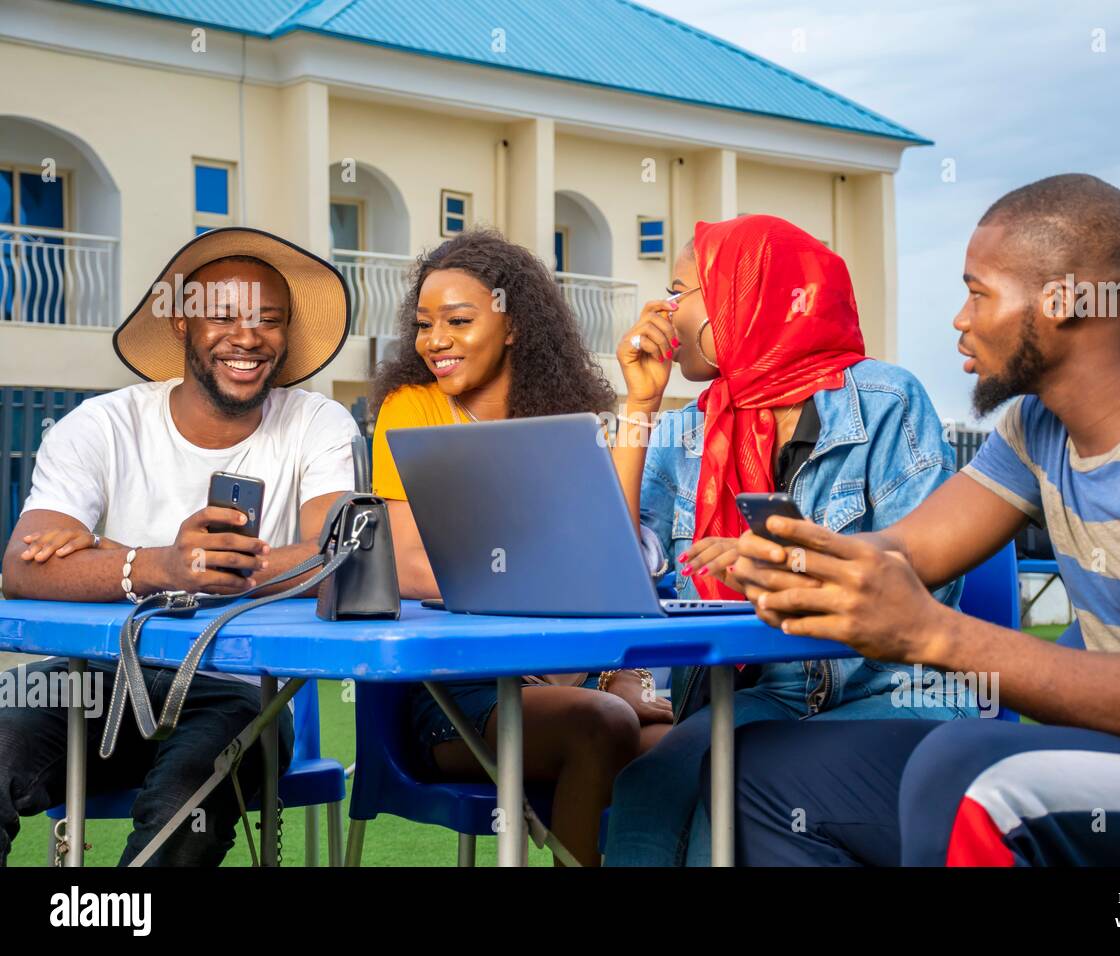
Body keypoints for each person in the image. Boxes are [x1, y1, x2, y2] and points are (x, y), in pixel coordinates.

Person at [724, 174, 1120, 866]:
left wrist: (933, 633)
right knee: (762, 770)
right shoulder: (1037, 426)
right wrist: (794, 554)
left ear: (1062, 302)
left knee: (969, 769)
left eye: (978, 292)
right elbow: (907, 547)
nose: (960, 320)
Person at [603, 214, 975, 867]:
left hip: (889, 691)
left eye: (679, 288)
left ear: (744, 296)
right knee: (648, 789)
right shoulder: (689, 428)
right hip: (758, 695)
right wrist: (638, 407)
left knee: (729, 797)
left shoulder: (887, 402)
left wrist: (783, 569)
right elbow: (614, 570)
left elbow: (927, 581)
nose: (662, 308)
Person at [0, 228, 359, 865]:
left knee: (180, 816)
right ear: (180, 325)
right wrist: (167, 563)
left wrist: (113, 556)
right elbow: (23, 568)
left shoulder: (316, 422)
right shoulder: (102, 424)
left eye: (268, 320)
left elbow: (341, 556)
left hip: (244, 687)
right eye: (223, 316)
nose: (247, 337)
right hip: (99, 678)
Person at [368, 228, 670, 866]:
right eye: (425, 324)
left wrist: (641, 403)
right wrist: (560, 582)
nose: (436, 341)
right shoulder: (412, 408)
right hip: (464, 688)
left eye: (458, 320)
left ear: (513, 325)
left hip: (575, 669)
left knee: (684, 748)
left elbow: (610, 552)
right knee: (604, 724)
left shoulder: (566, 412)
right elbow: (414, 566)